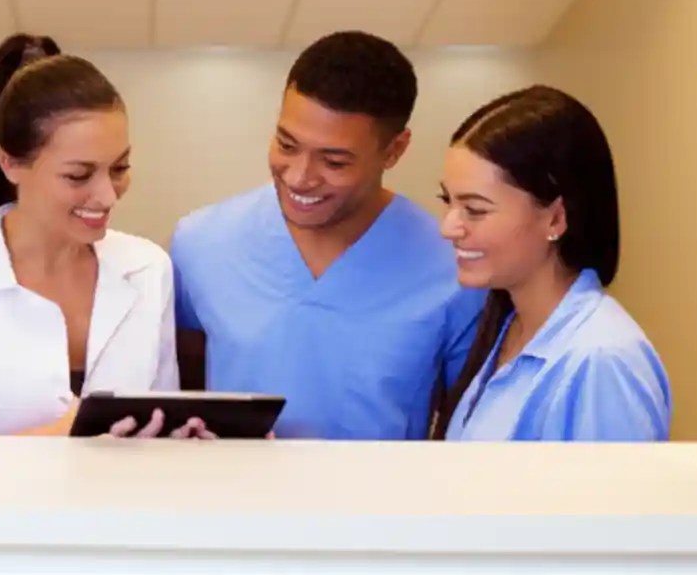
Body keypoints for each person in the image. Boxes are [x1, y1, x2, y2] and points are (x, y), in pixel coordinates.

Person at [169, 30, 484, 439]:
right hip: (233, 497)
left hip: (385, 500)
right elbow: (180, 390)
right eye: (286, 144)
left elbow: (464, 428)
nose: (300, 177)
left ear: (394, 151)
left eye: (334, 162)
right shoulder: (201, 243)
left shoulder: (453, 265)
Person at [0, 33, 194, 437]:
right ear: (10, 163)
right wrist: (63, 434)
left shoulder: (148, 269)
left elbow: (162, 422)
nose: (108, 195)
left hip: (130, 501)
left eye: (120, 168)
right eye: (78, 175)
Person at [434, 86, 670, 441]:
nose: (448, 227)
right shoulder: (508, 329)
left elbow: (614, 497)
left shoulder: (602, 361)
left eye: (475, 210)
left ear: (556, 218)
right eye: (447, 201)